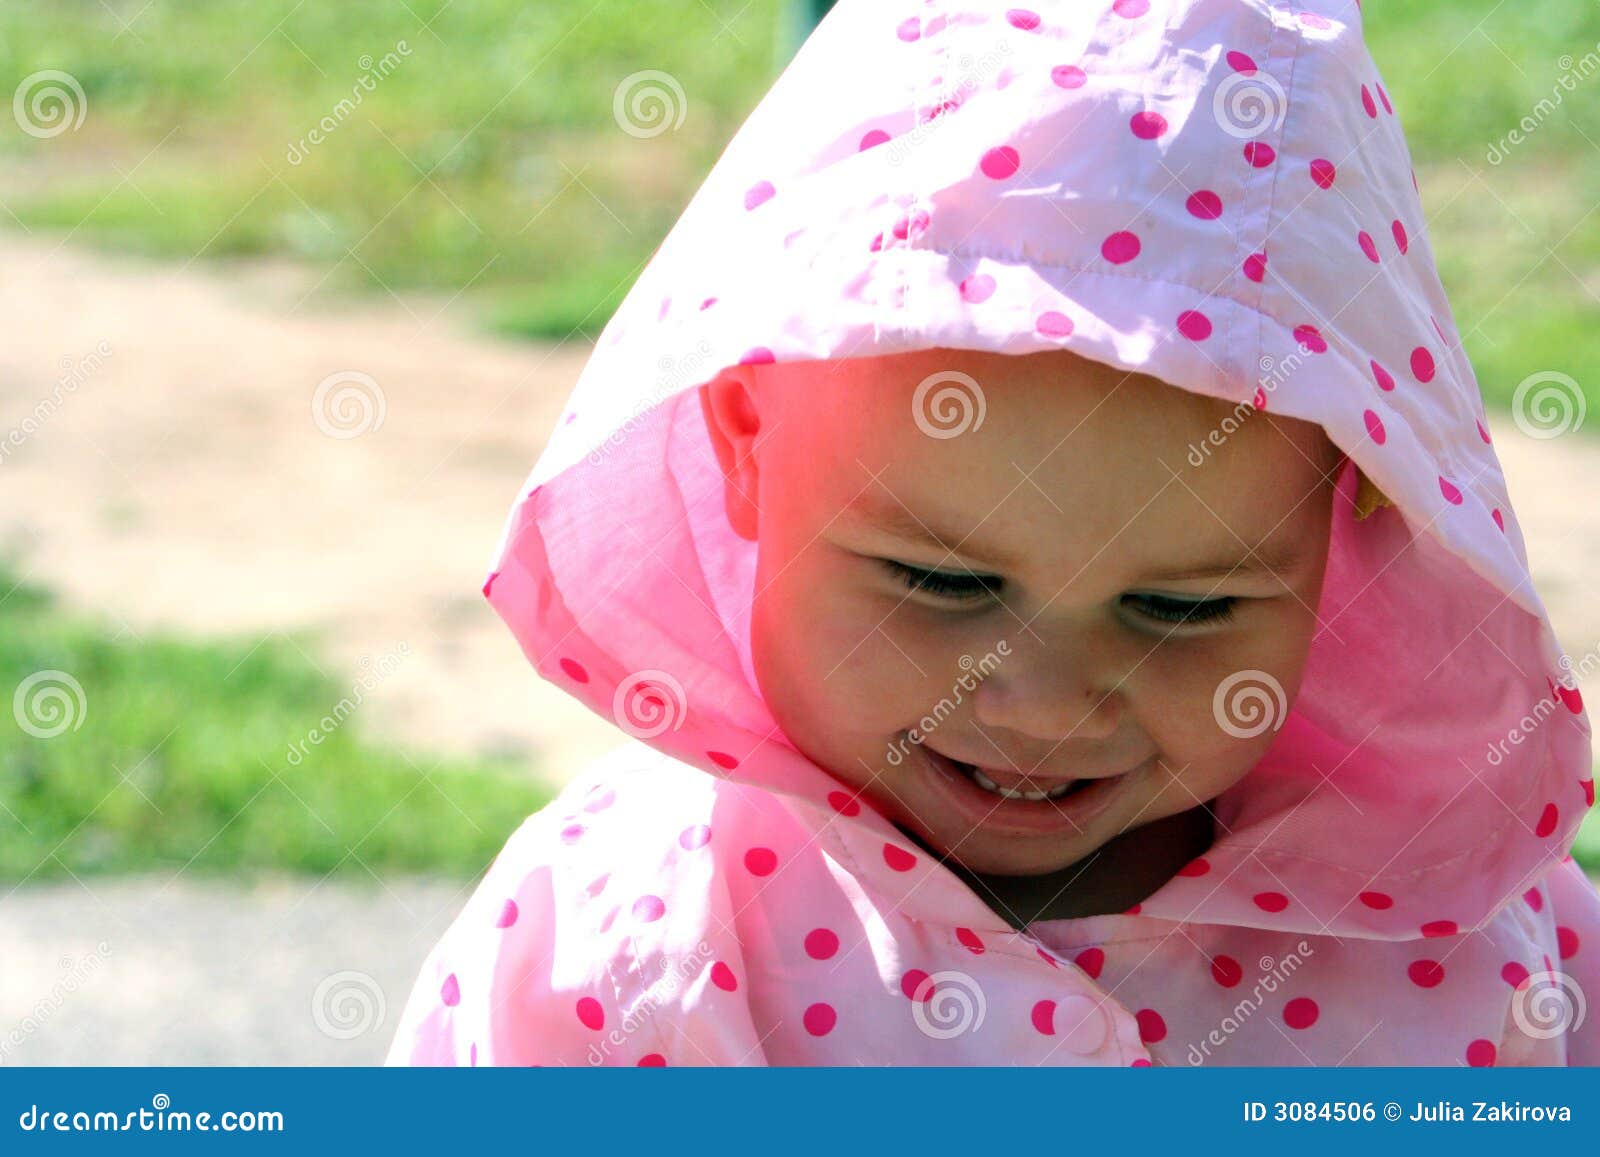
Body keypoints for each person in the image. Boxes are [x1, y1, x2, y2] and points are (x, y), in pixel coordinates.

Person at [387, 0, 1599, 1065]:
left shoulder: (1484, 949)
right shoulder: (618, 943)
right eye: (939, 580)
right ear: (749, 437)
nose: (1043, 705)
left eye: (1180, 608)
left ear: (1353, 505)